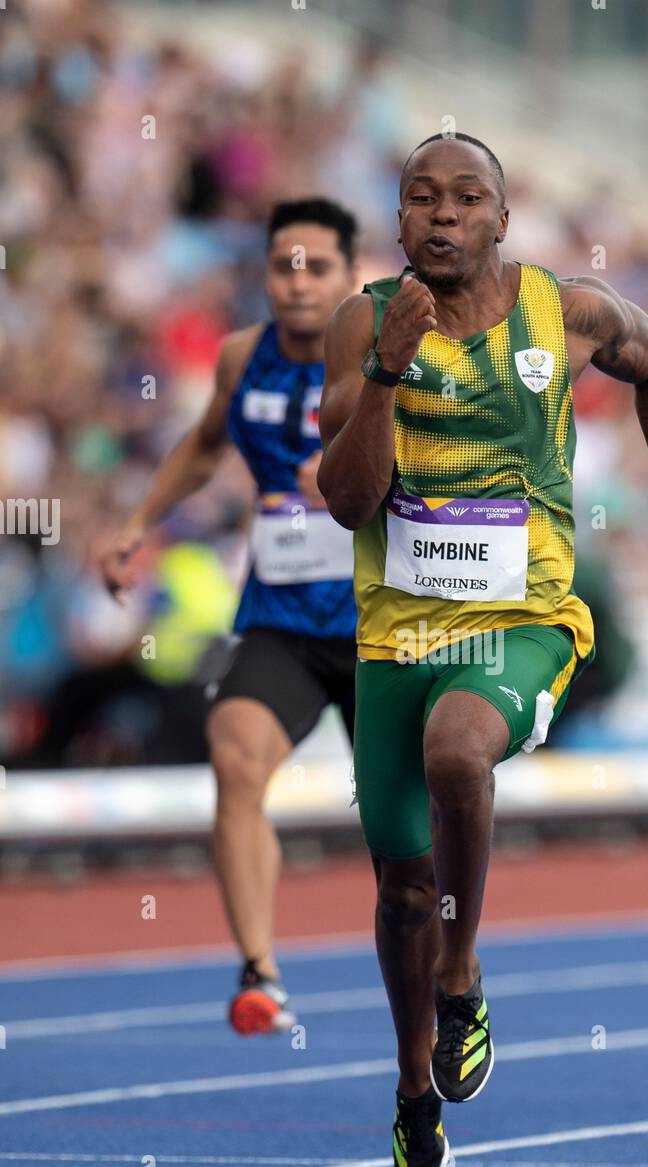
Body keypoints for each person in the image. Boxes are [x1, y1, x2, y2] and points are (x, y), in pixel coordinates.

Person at [319, 134, 648, 1167]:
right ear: (399, 220)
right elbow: (346, 499)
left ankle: (463, 971)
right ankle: (413, 1089)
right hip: (395, 639)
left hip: (523, 618)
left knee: (458, 752)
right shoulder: (361, 321)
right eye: (420, 198)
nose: (442, 215)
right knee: (403, 890)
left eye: (466, 198)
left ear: (501, 217)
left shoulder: (565, 312)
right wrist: (387, 368)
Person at [101, 198, 360, 1036]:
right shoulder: (243, 358)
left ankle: (446, 972)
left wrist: (361, 473)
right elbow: (206, 443)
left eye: (317, 267)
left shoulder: (389, 358)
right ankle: (260, 973)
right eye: (284, 266)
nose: (298, 283)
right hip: (283, 618)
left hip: (383, 624)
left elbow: (454, 460)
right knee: (235, 757)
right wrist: (139, 523)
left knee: (405, 825)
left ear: (350, 275)